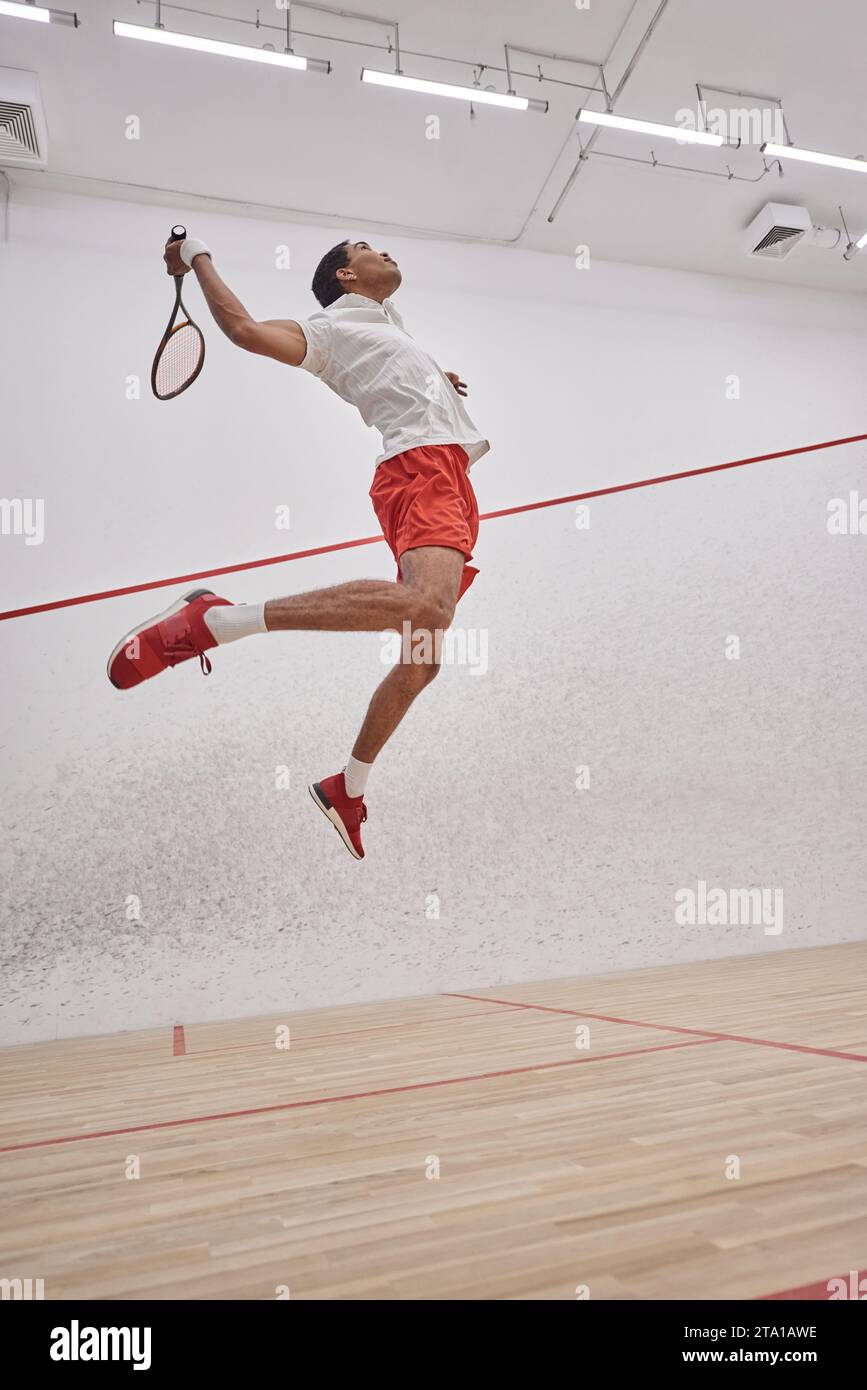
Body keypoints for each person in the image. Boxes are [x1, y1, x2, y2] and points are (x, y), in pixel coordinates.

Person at [107, 236, 489, 859]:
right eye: (369, 248)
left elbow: (396, 370)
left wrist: (435, 380)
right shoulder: (330, 328)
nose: (386, 251)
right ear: (346, 274)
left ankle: (347, 787)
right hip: (419, 473)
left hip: (451, 480)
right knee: (427, 607)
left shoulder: (388, 324)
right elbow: (246, 331)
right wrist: (200, 255)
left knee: (423, 659)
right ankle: (220, 620)